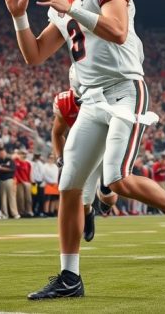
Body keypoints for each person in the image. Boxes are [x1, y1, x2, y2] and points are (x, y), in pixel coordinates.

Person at [0, 0, 165, 300]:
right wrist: (19, 18)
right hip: (92, 100)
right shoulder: (62, 6)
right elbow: (33, 55)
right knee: (69, 186)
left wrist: (71, 8)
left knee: (115, 179)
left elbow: (116, 30)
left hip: (126, 89)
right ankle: (70, 277)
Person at [51, 66, 119, 242]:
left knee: (109, 194)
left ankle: (105, 198)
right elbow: (57, 132)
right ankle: (89, 214)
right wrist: (59, 157)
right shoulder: (65, 102)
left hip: (108, 147)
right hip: (86, 150)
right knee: (84, 201)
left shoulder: (109, 96)